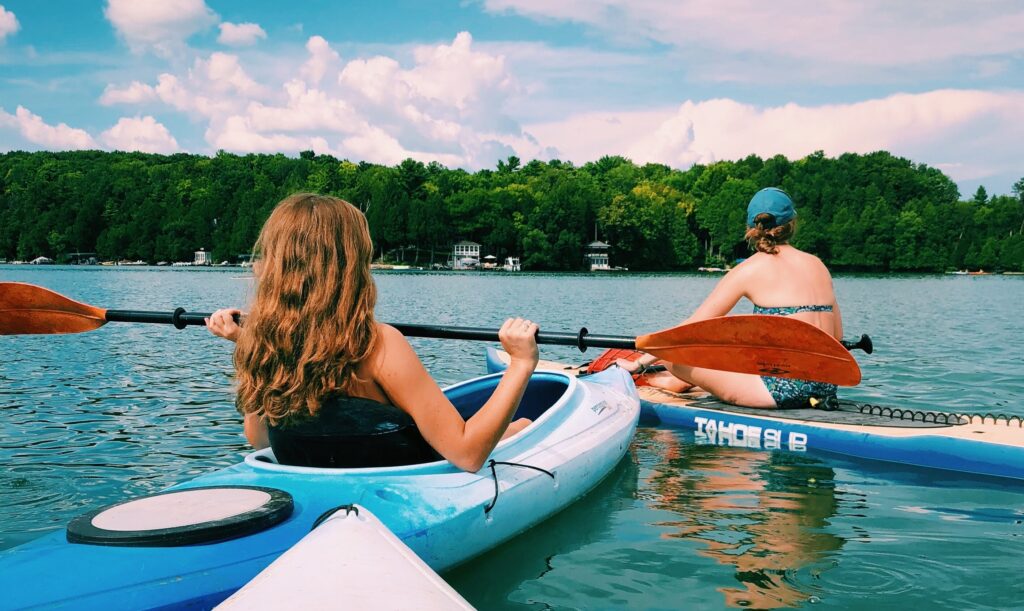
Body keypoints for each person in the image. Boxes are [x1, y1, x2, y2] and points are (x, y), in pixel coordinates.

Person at [205, 193, 536, 471]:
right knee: (524, 427)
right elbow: (467, 453)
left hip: (328, 476)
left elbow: (260, 438)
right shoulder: (379, 345)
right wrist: (521, 362)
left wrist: (250, 344)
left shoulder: (264, 344)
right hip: (403, 479)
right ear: (350, 266)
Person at [620, 187, 843, 409]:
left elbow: (689, 330)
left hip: (780, 393)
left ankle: (678, 380)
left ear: (751, 228)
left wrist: (638, 363)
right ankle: (682, 383)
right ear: (792, 223)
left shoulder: (749, 269)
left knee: (671, 358)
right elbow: (838, 338)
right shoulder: (818, 265)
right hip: (827, 387)